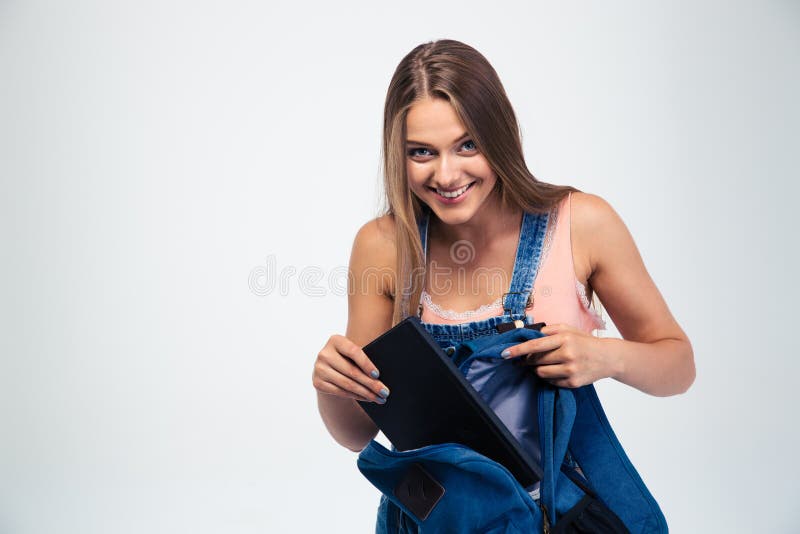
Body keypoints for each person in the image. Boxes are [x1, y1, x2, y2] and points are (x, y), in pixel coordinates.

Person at [311, 38, 695, 460]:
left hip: (555, 516)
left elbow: (678, 367)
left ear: (499, 136)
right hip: (442, 518)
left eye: (467, 145)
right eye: (421, 152)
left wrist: (606, 357)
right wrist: (332, 388)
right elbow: (357, 435)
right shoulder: (382, 246)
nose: (446, 174)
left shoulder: (582, 223)